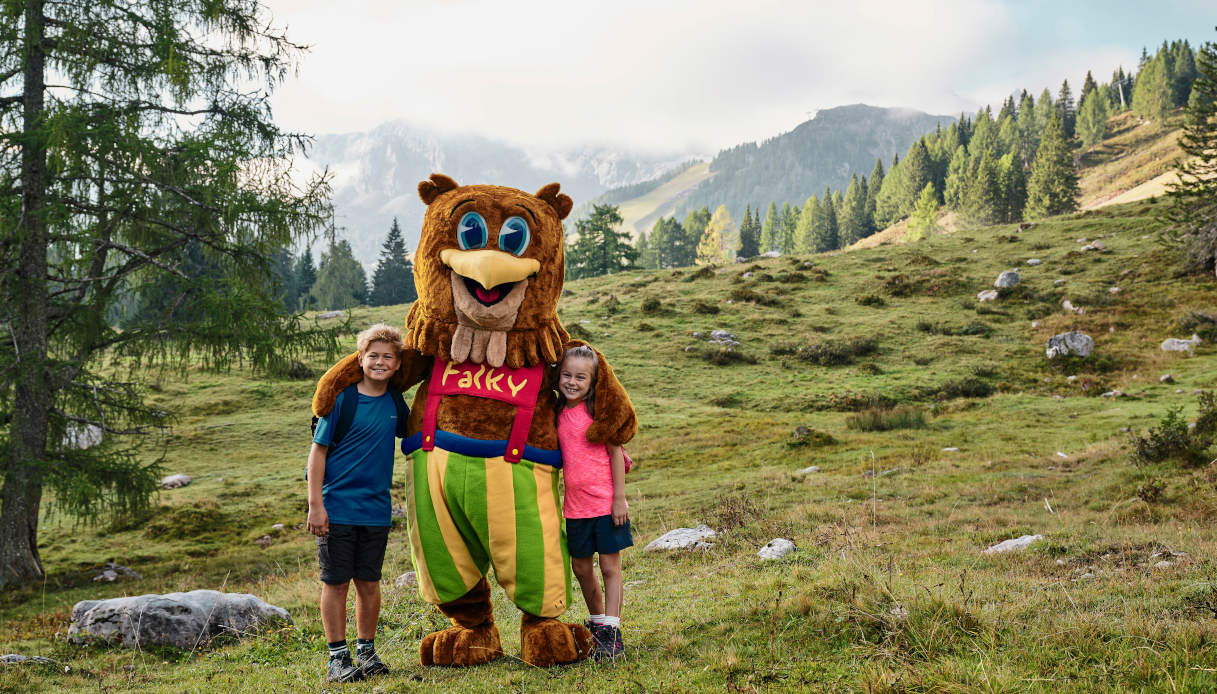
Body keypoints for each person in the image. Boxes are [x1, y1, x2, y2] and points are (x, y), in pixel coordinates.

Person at [307, 324, 406, 682]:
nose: (380, 362)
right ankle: (337, 658)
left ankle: (366, 651)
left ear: (397, 365)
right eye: (373, 356)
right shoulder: (343, 400)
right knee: (336, 583)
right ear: (360, 359)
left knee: (369, 581)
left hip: (376, 511)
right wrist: (315, 505)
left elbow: (414, 435)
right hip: (338, 509)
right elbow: (317, 453)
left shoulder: (396, 401)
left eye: (388, 357)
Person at [556, 345, 632, 660]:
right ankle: (598, 622)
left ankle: (611, 633)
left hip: (605, 504)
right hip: (575, 507)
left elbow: (616, 453)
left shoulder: (596, 412)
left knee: (610, 567)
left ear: (592, 381)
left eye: (580, 378)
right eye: (566, 375)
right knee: (581, 567)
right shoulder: (557, 412)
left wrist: (619, 499)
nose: (572, 382)